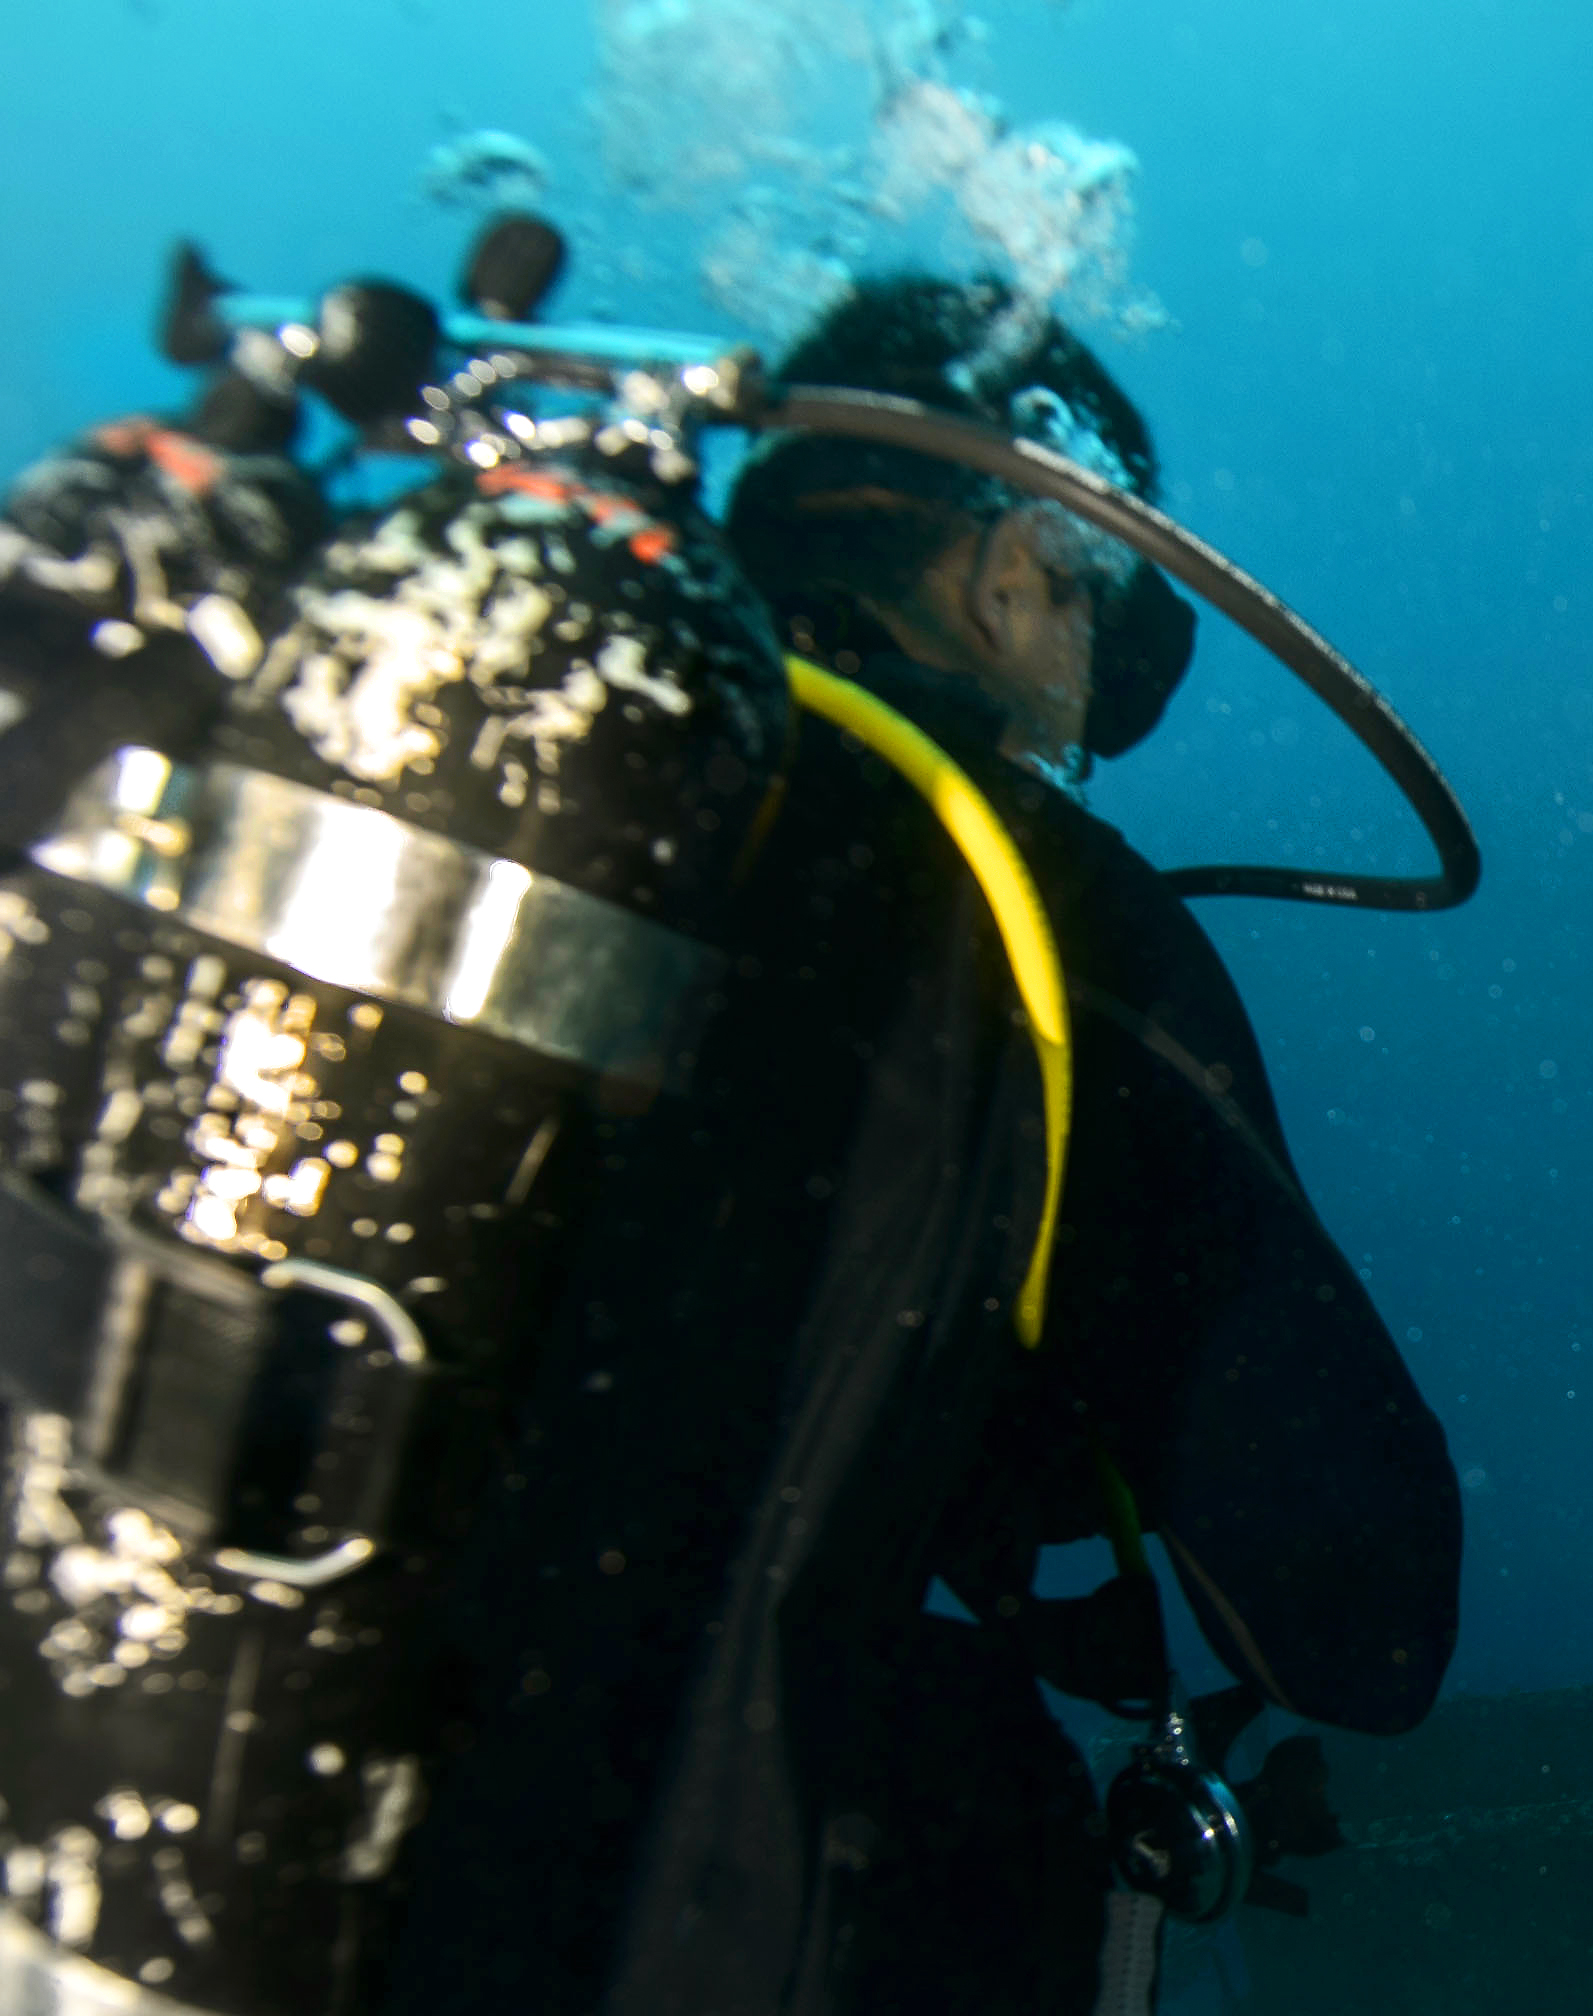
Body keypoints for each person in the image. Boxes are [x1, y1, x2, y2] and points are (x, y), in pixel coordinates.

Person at [373, 276, 1462, 2014]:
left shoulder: (488, 773)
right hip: (624, 1887)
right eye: (1095, 626)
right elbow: (1363, 1616)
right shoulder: (1005, 891)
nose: (1082, 715)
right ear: (1008, 568)